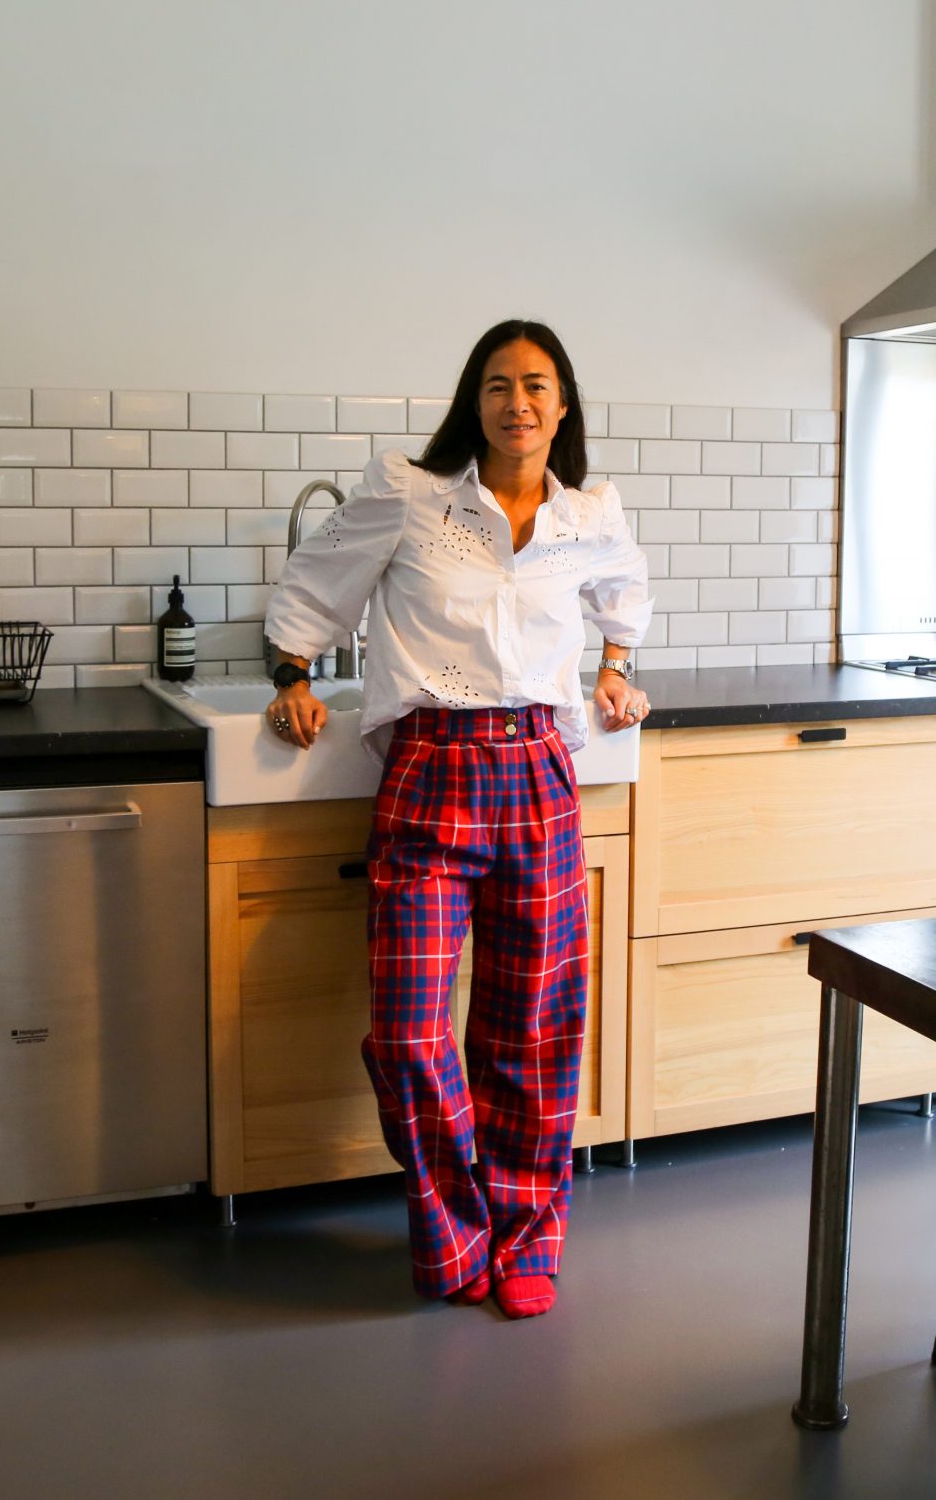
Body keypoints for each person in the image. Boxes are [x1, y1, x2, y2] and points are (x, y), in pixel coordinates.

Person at [262, 319, 651, 1320]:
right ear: (470, 402)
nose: (516, 403)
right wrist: (291, 675)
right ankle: (455, 1226)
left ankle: (527, 1238)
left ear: (562, 404)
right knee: (406, 1034)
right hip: (430, 773)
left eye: (534, 384)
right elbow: (314, 585)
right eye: (495, 385)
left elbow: (624, 596)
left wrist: (615, 667)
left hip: (537, 773)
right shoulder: (410, 494)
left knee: (532, 1025)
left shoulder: (588, 512)